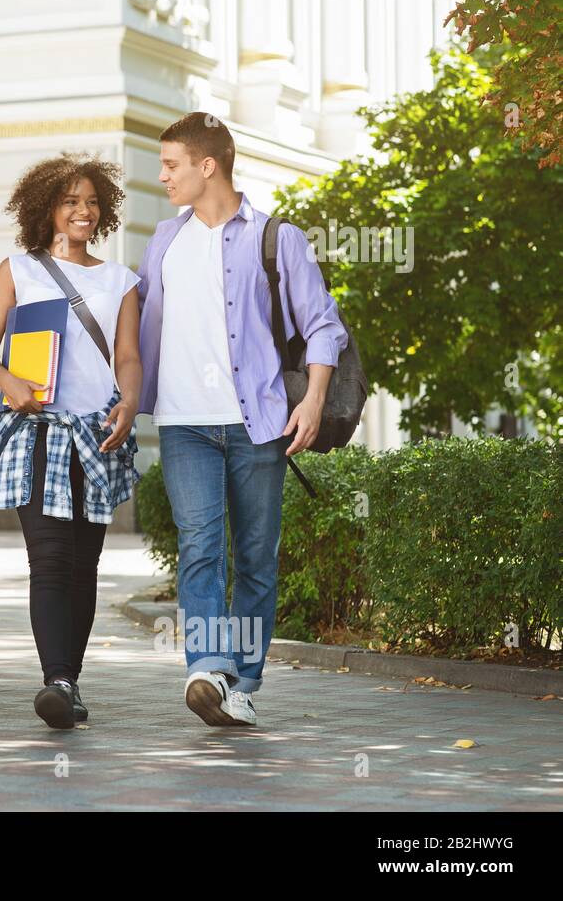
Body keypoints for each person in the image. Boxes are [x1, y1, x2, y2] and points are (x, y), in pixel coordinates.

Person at [139, 112, 348, 727]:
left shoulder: (276, 238)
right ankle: (208, 669)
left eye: (172, 164)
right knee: (201, 547)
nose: (163, 176)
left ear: (208, 166)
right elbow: (137, 323)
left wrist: (311, 401)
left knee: (256, 555)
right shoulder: (163, 240)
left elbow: (322, 326)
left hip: (259, 423)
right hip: (184, 423)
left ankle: (244, 683)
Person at [0, 154, 142, 729]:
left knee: (84, 564)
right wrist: (9, 384)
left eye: (92, 202)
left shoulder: (120, 280)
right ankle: (57, 681)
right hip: (36, 434)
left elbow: (128, 356)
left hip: (96, 433)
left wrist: (130, 402)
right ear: (46, 208)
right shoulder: (18, 271)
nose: (83, 211)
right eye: (71, 201)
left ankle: (70, 679)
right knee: (48, 561)